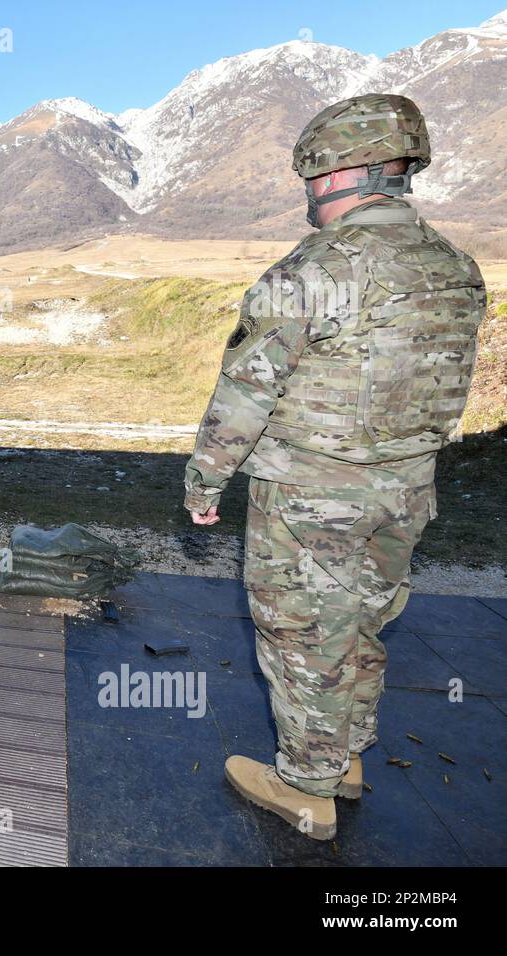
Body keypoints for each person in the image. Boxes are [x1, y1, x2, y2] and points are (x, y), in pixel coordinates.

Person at [183, 94, 485, 840]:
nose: (309, 195)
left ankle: (305, 786)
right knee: (365, 624)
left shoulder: (310, 271)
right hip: (408, 489)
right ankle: (345, 758)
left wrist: (204, 480)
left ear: (339, 175)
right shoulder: (456, 266)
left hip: (312, 494)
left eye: (312, 178)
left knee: (302, 635)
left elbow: (247, 391)